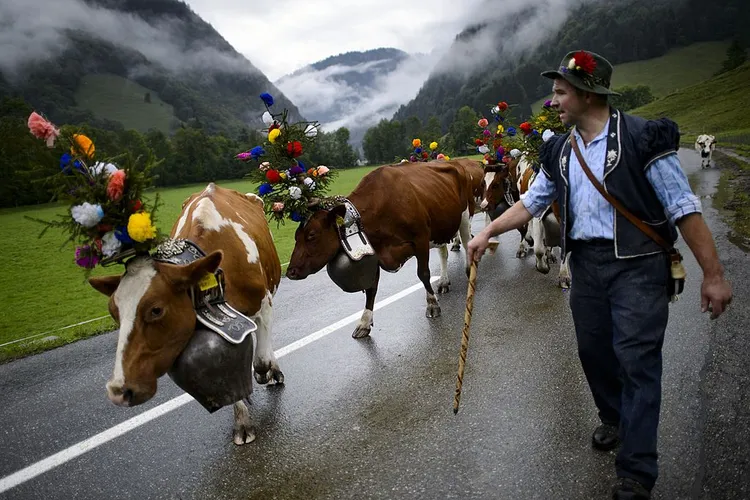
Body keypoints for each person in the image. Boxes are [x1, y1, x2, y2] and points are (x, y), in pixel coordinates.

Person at [467, 50, 733, 499]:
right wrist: (488, 229)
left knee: (637, 364)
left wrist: (713, 274)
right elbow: (533, 201)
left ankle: (636, 471)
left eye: (560, 92)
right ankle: (613, 417)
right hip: (585, 268)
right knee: (593, 354)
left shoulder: (642, 138)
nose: (552, 102)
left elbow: (683, 208)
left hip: (639, 267)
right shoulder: (562, 150)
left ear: (588, 94)